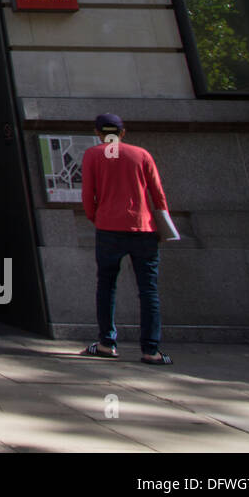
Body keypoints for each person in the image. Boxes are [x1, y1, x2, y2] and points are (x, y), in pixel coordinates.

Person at [79, 113, 173, 366]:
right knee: (148, 290)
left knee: (107, 285)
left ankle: (107, 343)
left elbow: (88, 194)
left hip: (108, 228)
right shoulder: (141, 154)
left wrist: (96, 218)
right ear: (122, 132)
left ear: (98, 133)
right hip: (143, 229)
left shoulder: (93, 155)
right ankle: (151, 350)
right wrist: (162, 225)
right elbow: (158, 195)